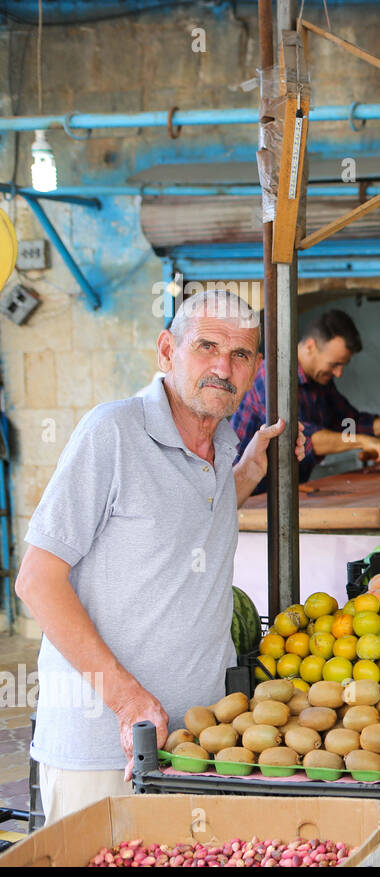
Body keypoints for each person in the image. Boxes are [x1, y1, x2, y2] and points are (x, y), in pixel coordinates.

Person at [16, 290, 305, 823]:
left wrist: (250, 471)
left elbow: (186, 518)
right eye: (207, 346)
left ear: (255, 370)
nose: (223, 367)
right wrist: (127, 702)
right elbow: (36, 580)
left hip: (195, 747)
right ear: (167, 350)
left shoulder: (221, 445)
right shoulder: (112, 433)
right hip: (103, 752)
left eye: (240, 355)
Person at [231, 308, 380, 489]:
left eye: (343, 366)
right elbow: (302, 438)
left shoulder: (320, 381)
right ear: (310, 346)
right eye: (334, 364)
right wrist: (363, 442)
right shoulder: (271, 378)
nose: (338, 373)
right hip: (246, 495)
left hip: (286, 493)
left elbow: (351, 425)